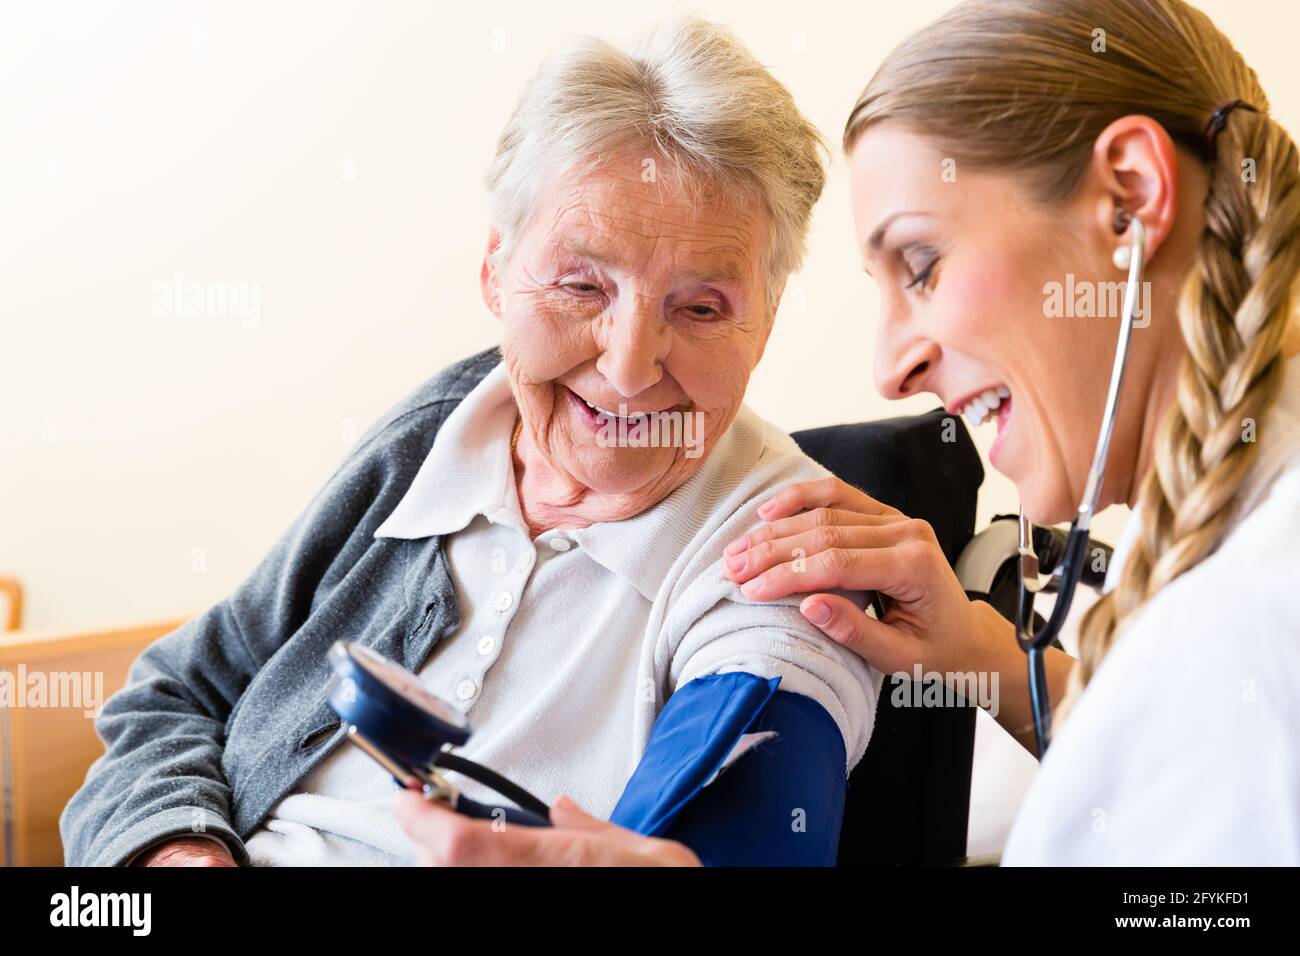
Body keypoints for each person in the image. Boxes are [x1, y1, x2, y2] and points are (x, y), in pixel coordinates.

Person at [398, 0, 1300, 865]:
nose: (889, 370)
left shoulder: (1253, 611)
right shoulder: (1233, 598)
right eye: (582, 286)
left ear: (1130, 199)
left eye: (923, 263)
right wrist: (981, 653)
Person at [60, 17, 878, 867]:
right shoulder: (443, 430)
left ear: (767, 320)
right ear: (495, 270)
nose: (630, 368)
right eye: (580, 284)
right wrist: (181, 852)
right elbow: (177, 693)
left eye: (700, 307)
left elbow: (756, 826)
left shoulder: (791, 550)